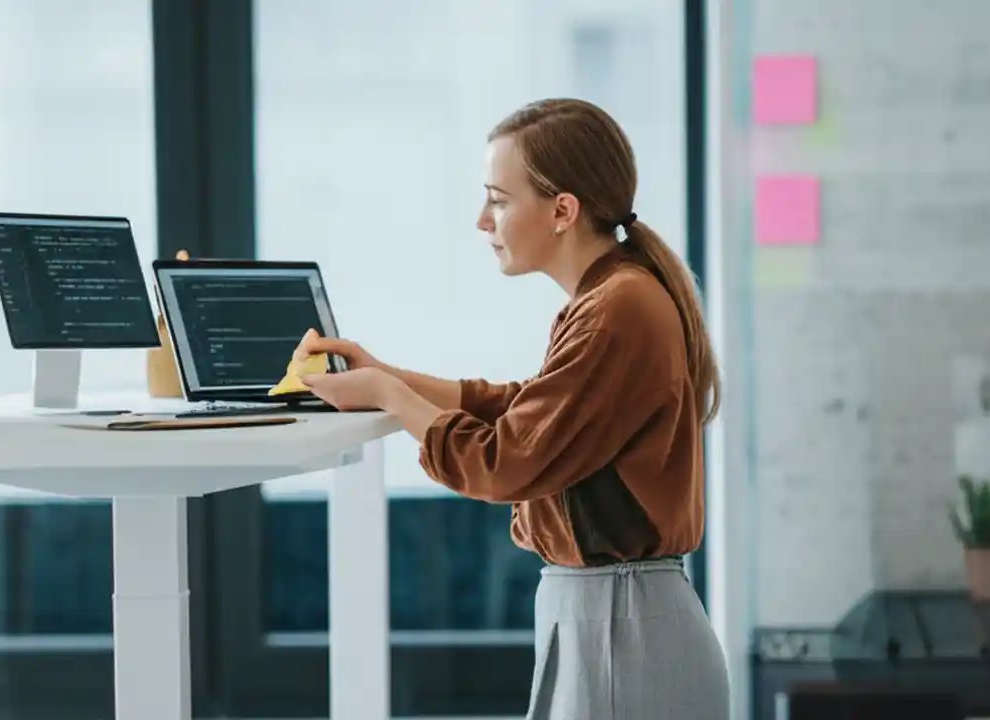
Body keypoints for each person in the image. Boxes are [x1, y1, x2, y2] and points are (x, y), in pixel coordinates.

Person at [298, 98, 730, 719]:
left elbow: (507, 462)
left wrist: (391, 398)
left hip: (619, 627)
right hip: (610, 620)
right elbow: (525, 407)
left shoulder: (616, 310)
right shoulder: (612, 296)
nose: (482, 220)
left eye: (498, 199)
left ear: (562, 210)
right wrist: (385, 374)